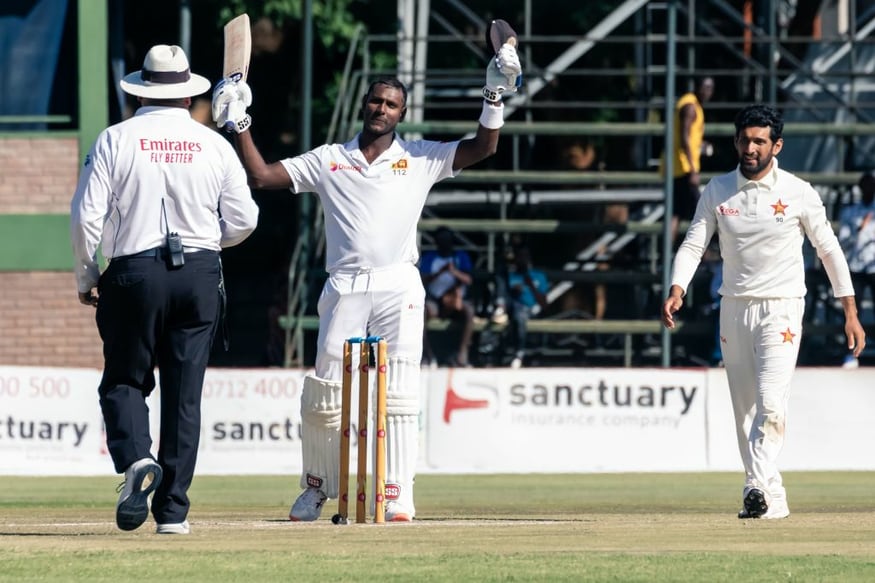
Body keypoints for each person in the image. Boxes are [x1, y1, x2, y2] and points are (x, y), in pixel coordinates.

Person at [211, 40, 522, 522]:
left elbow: (484, 146)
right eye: (376, 101)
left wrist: (494, 96)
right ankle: (316, 488)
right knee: (323, 393)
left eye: (391, 104)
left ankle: (396, 491)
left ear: (402, 112)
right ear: (364, 105)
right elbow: (261, 176)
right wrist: (240, 123)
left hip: (399, 285)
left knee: (399, 393)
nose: (382, 108)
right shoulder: (329, 158)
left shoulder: (422, 157)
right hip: (346, 285)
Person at [70, 45, 259, 534]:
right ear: (187, 92)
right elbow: (245, 219)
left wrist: (88, 276)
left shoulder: (115, 138)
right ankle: (172, 512)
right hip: (199, 272)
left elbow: (85, 217)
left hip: (133, 270)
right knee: (184, 394)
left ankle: (136, 459)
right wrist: (203, 245)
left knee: (125, 378)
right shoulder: (213, 144)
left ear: (140, 91)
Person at [662, 104, 865, 520]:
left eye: (760, 141)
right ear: (736, 141)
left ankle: (754, 487)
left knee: (771, 404)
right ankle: (772, 498)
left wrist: (849, 309)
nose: (751, 148)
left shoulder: (798, 191)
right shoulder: (718, 190)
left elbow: (828, 250)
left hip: (783, 309)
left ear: (777, 145)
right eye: (745, 140)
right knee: (745, 411)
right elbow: (694, 244)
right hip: (733, 308)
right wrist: (677, 286)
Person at [664, 76, 715, 244]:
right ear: (697, 87)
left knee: (676, 214)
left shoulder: (690, 104)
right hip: (684, 167)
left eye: (710, 88)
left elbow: (688, 138)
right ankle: (703, 258)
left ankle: (668, 256)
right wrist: (693, 169)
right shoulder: (690, 106)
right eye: (705, 87)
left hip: (679, 166)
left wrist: (701, 145)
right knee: (702, 213)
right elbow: (684, 137)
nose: (708, 92)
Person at [419, 226, 475, 367]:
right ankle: (427, 355)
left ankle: (462, 355)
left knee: (469, 311)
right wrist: (439, 272)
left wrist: (453, 271)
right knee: (421, 312)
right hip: (435, 300)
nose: (444, 242)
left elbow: (468, 279)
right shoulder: (429, 257)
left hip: (454, 300)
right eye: (441, 239)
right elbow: (422, 279)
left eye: (447, 239)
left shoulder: (460, 257)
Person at [837, 170, 875, 368]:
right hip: (856, 267)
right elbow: (843, 240)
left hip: (873, 267)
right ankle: (851, 354)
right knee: (853, 312)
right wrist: (860, 229)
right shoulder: (850, 212)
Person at [505, 243, 549, 368]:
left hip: (534, 310)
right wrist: (512, 292)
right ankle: (518, 352)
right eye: (519, 256)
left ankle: (521, 352)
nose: (522, 259)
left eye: (525, 256)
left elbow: (545, 305)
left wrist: (531, 286)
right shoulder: (510, 276)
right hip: (514, 309)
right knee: (518, 311)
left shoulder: (539, 276)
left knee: (522, 313)